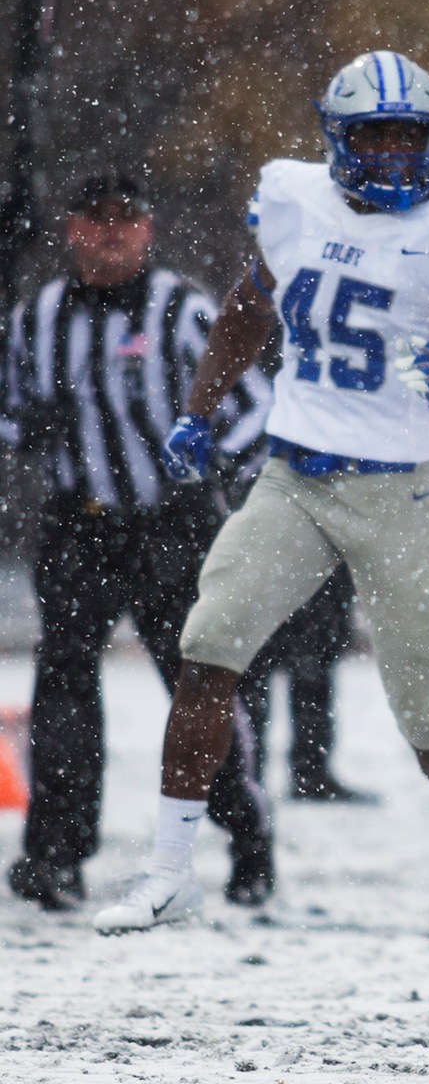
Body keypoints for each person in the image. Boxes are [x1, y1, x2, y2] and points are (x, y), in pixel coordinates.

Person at [91, 52, 429, 964]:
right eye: (372, 133)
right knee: (209, 648)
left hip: (398, 495)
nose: (391, 152)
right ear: (338, 138)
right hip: (293, 478)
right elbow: (251, 309)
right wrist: (198, 412)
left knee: (425, 710)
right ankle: (169, 868)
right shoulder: (294, 201)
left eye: (406, 135)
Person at [2, 171, 271, 911]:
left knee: (197, 688)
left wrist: (217, 470)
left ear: (147, 230)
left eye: (127, 219)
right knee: (63, 691)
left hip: (172, 526)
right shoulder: (38, 317)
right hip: (78, 525)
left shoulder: (183, 309)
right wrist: (37, 431)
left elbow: (251, 407)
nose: (112, 232)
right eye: (97, 219)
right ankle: (54, 857)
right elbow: (14, 414)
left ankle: (246, 834)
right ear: (72, 230)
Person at [240, 564, 374, 802]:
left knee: (310, 667)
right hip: (287, 563)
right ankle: (256, 775)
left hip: (295, 567)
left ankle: (298, 772)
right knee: (259, 672)